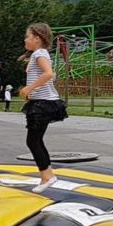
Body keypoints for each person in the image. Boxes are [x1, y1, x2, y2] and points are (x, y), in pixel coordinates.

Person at [19, 23, 67, 192]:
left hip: (43, 104)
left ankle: (47, 176)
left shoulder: (40, 53)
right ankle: (46, 175)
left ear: (37, 39)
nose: (25, 39)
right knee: (35, 140)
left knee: (33, 140)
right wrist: (31, 92)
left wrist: (29, 88)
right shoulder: (37, 54)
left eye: (27, 36)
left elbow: (48, 74)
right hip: (40, 102)